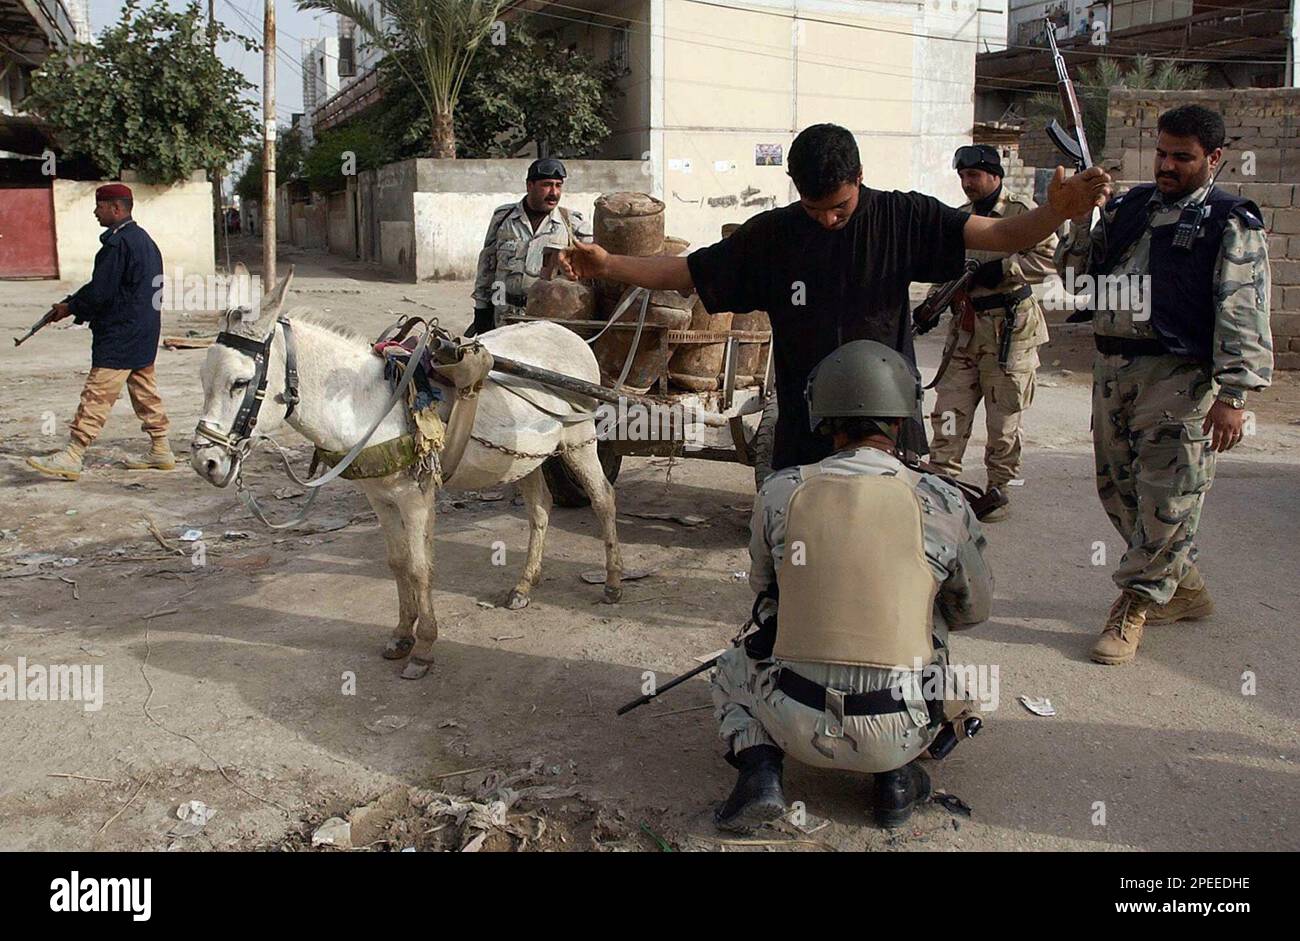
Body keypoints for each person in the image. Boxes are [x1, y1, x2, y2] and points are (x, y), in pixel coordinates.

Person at [560, 123, 1110, 472]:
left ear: (860, 179)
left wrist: (1055, 212)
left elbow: (995, 237)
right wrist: (609, 263)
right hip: (806, 425)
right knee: (801, 552)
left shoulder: (902, 216)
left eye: (840, 208)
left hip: (888, 423)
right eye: (813, 206)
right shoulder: (772, 234)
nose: (826, 219)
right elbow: (685, 272)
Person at [710, 341, 993, 831]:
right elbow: (972, 610)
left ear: (824, 422)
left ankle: (759, 772)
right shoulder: (942, 500)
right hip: (903, 724)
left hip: (792, 722)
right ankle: (896, 778)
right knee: (942, 638)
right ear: (902, 421)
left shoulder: (780, 491)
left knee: (733, 665)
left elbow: (764, 588)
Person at [1054, 104, 1272, 665]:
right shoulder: (1129, 208)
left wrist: (1233, 396)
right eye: (1163, 153)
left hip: (1178, 377)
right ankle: (1182, 587)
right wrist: (1081, 215)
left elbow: (1242, 310)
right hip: (1112, 370)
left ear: (1214, 159)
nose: (1168, 165)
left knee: (1170, 497)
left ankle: (1136, 603)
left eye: (1183, 157)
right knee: (1119, 490)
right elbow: (1078, 282)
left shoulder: (1230, 221)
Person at [927, 144, 1057, 521]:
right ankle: (941, 482)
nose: (967, 183)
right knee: (950, 406)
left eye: (974, 176)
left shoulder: (1023, 213)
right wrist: (935, 301)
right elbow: (947, 268)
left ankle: (998, 487)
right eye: (963, 177)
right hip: (966, 328)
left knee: (1004, 418)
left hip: (1009, 330)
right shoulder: (962, 218)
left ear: (995, 176)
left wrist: (1002, 272)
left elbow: (1050, 257)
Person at [27, 183, 171, 482]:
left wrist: (72, 308)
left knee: (97, 394)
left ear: (116, 208)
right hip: (143, 329)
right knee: (145, 390)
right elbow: (105, 286)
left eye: (100, 206)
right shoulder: (144, 240)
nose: (95, 212)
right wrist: (71, 303)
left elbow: (101, 293)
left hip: (120, 333)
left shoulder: (118, 244)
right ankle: (161, 448)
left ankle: (73, 453)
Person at [469, 157, 591, 336]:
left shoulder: (572, 223)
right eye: (547, 185)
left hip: (548, 320)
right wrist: (482, 310)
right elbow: (487, 267)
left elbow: (595, 266)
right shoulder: (503, 218)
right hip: (504, 318)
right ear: (530, 185)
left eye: (558, 185)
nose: (554, 192)